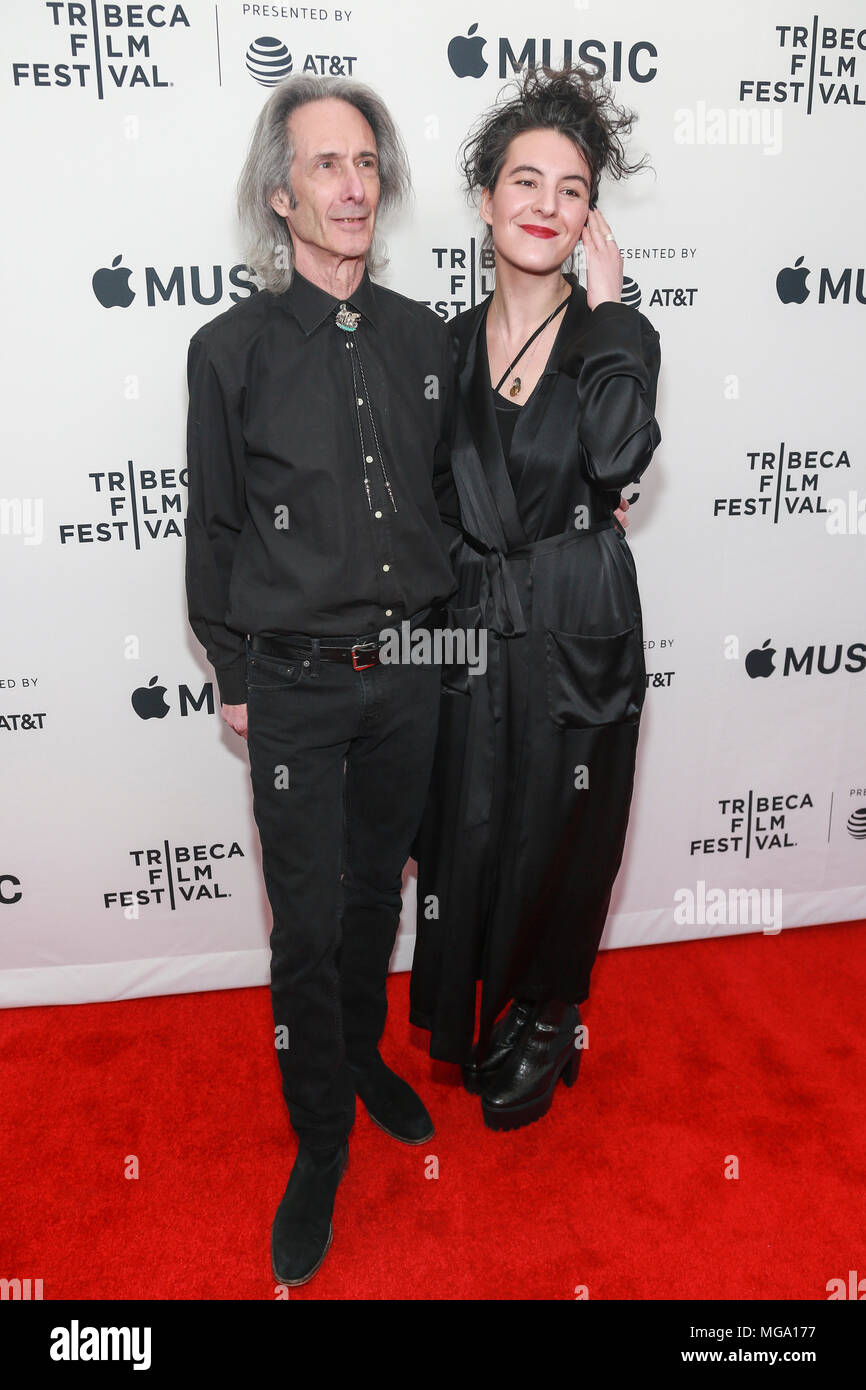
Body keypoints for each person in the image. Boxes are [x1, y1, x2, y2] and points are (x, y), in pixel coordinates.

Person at [184, 75, 461, 1286]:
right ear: (278, 193)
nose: (352, 185)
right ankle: (320, 1140)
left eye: (366, 163)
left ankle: (359, 1052)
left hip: (411, 668)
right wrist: (235, 670)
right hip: (291, 681)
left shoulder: (421, 338)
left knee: (371, 896)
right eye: (326, 164)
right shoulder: (227, 350)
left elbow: (464, 498)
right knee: (301, 924)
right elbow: (215, 525)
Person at [410, 65, 662, 1131]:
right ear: (483, 199)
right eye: (524, 180)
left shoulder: (619, 336)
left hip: (574, 611)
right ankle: (486, 1005)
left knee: (567, 821)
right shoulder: (445, 345)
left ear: (587, 218)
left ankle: (550, 1013)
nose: (543, 204)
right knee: (469, 822)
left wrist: (609, 316)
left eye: (568, 189)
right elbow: (423, 501)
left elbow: (613, 456)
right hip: (474, 619)